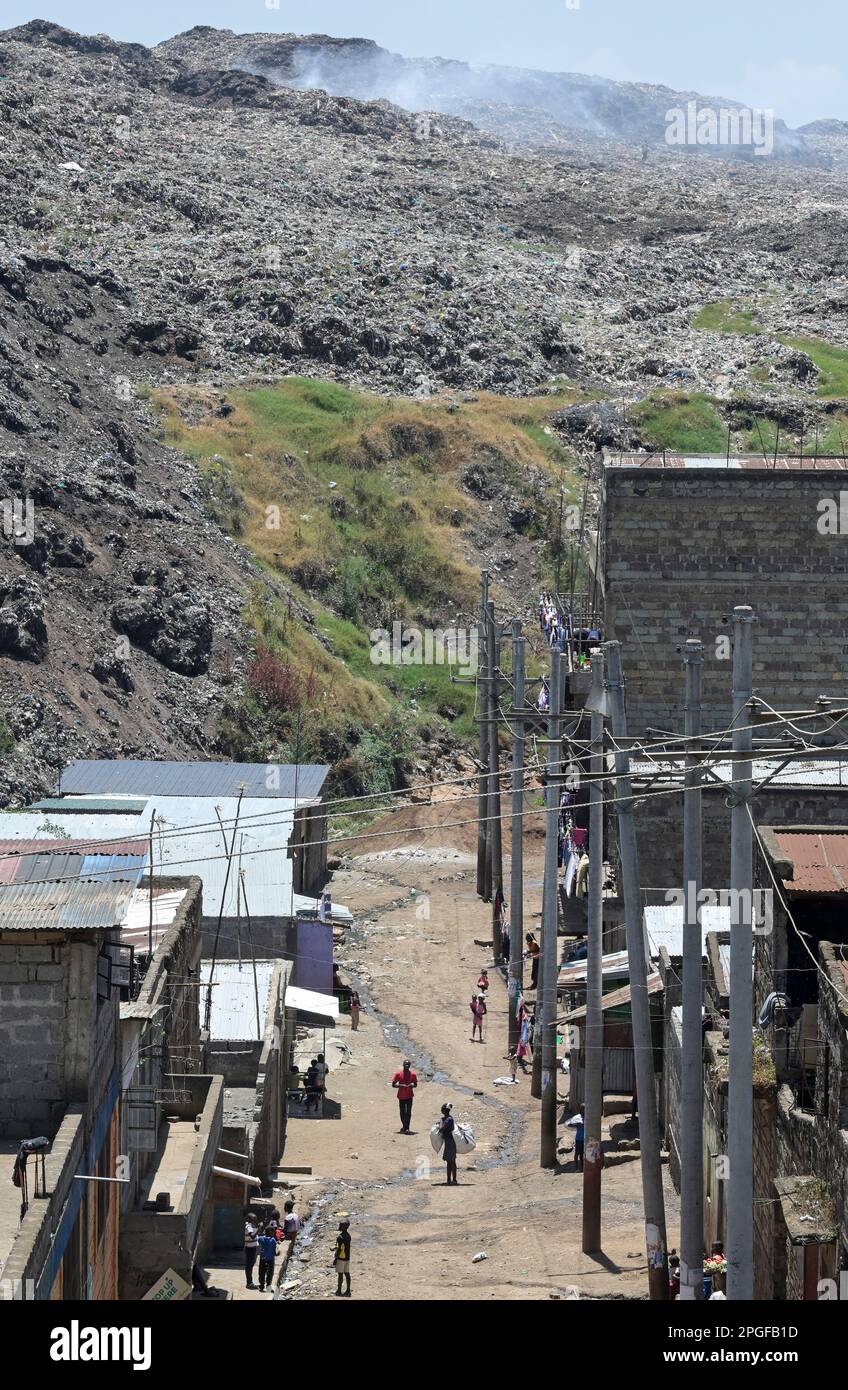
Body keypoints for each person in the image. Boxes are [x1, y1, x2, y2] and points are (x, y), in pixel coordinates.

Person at [391, 1059, 418, 1133]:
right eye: (406, 1064)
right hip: (401, 1096)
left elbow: (415, 1084)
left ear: (410, 1066)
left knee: (408, 1112)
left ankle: (407, 1128)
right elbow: (393, 1085)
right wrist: (400, 1085)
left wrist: (412, 1085)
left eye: (408, 1065)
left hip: (409, 1096)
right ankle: (404, 1126)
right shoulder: (398, 1074)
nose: (407, 1066)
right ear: (403, 1065)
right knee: (402, 1112)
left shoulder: (413, 1075)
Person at [439, 1102, 458, 1185]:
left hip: (450, 1142)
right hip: (449, 1141)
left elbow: (443, 1128)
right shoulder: (448, 1118)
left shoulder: (449, 1119)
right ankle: (449, 1180)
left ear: (444, 1110)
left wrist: (440, 1128)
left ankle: (453, 1180)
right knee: (449, 1162)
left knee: (452, 1161)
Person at [333, 1220, 352, 1296]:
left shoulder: (339, 1237)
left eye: (340, 1225)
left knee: (340, 1275)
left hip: (341, 1258)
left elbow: (339, 1249)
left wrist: (335, 1258)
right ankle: (348, 1291)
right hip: (347, 1258)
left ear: (343, 1227)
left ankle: (339, 1290)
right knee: (347, 1274)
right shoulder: (349, 1236)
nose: (339, 1226)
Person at [257, 1227, 278, 1292]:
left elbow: (258, 1238)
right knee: (270, 1273)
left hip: (263, 1258)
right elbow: (275, 1250)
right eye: (273, 1231)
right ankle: (268, 1286)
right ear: (271, 1232)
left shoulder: (261, 1238)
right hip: (270, 1259)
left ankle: (261, 1286)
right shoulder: (273, 1240)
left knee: (261, 1272)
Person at [244, 1216, 260, 1289]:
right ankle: (249, 1283)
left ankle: (250, 1282)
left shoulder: (252, 1226)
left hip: (252, 1248)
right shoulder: (248, 1226)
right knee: (249, 1265)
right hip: (249, 1248)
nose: (255, 1220)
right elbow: (252, 1236)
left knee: (251, 1264)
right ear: (249, 1219)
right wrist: (259, 1229)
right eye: (254, 1219)